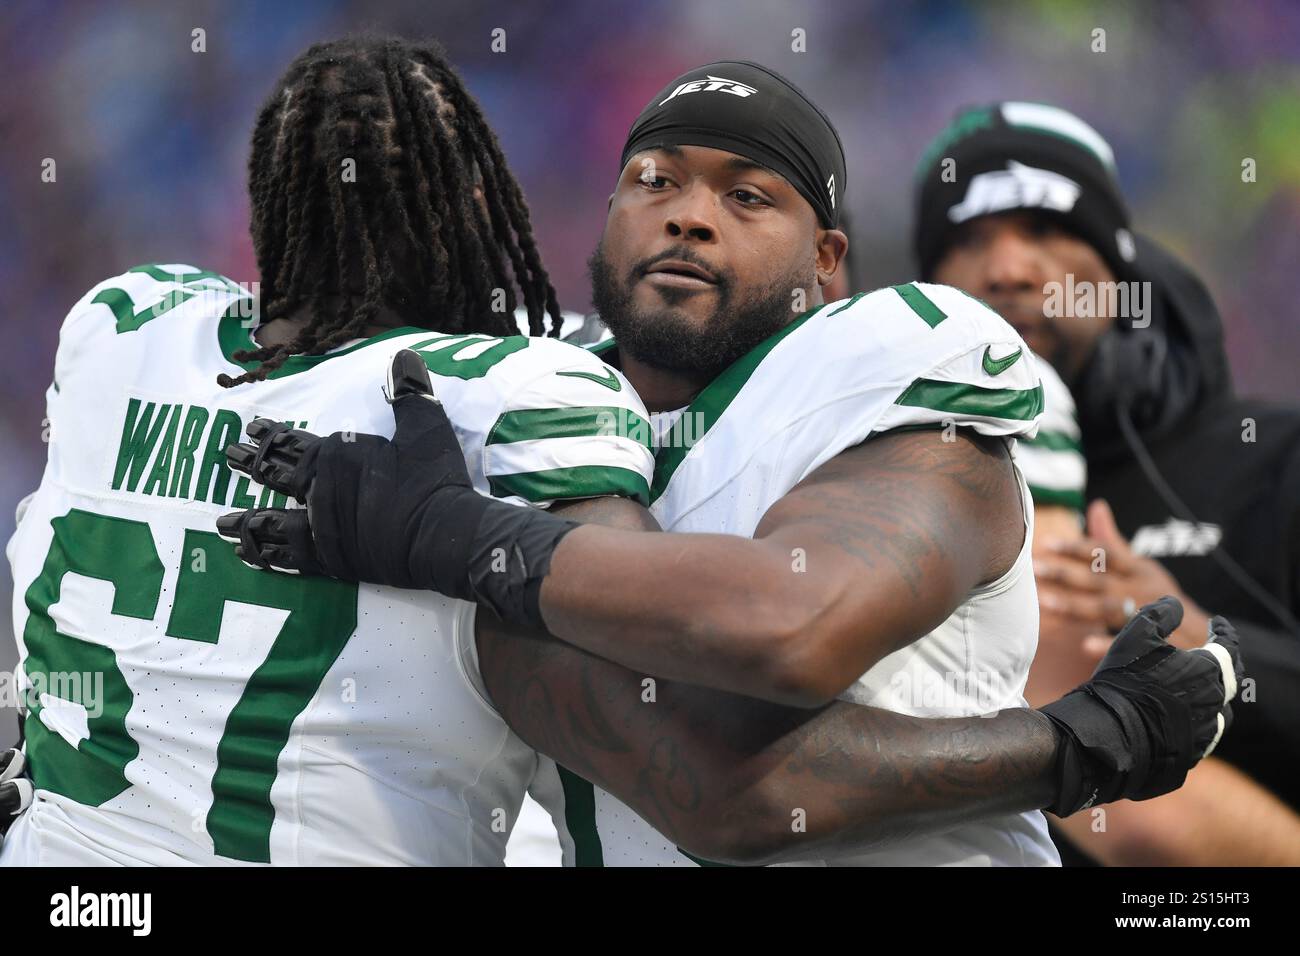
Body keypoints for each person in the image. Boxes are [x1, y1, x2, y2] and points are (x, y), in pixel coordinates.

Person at [219, 61, 1242, 866]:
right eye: (652, 180)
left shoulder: (895, 357)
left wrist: (453, 535)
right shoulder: (527, 404)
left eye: (749, 196)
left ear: (826, 264)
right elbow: (706, 786)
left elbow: (794, 630)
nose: (688, 213)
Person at [0, 35, 659, 865]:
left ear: (267, 206)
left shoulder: (126, 324)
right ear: (477, 205)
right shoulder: (509, 396)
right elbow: (663, 656)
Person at [913, 101, 1300, 864]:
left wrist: (1212, 646)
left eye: (1047, 231)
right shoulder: (908, 494)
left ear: (1120, 275)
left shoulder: (1275, 457)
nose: (1008, 269)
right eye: (967, 241)